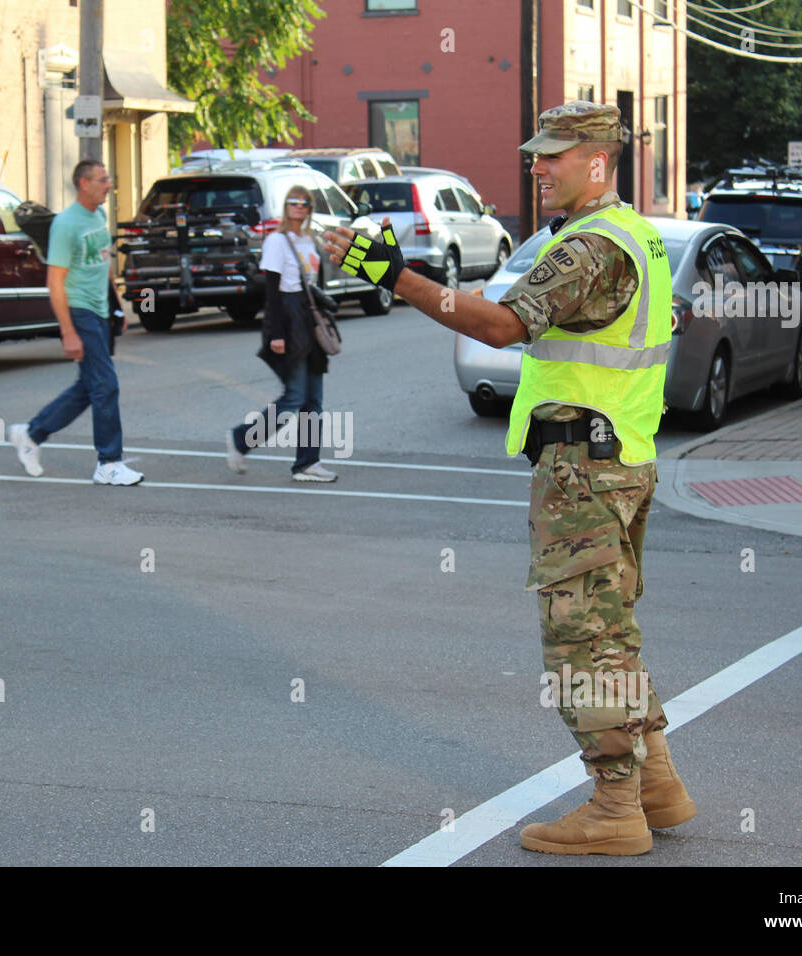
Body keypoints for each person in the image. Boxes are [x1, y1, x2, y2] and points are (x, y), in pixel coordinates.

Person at [322, 102, 695, 856]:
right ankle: (655, 783)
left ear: (598, 159)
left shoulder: (590, 246)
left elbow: (498, 325)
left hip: (585, 472)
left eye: (554, 154)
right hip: (620, 459)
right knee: (611, 632)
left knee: (581, 644)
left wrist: (388, 272)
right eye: (536, 152)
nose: (538, 165)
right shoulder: (638, 234)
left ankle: (616, 807)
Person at [8, 160, 143, 486]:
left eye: (108, 178)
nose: (109, 184)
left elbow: (104, 262)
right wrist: (68, 332)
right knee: (106, 385)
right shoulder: (66, 225)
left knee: (89, 386)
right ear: (84, 183)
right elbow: (55, 282)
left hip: (99, 310)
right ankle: (109, 462)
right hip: (79, 310)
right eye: (102, 179)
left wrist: (118, 306)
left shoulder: (97, 215)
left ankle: (31, 433)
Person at [225, 184, 337, 482]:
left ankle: (307, 463)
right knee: (295, 397)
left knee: (313, 399)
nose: (299, 207)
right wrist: (275, 333)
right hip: (288, 321)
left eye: (305, 203)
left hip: (308, 320)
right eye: (293, 202)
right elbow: (273, 292)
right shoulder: (277, 241)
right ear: (286, 206)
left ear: (310, 210)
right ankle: (241, 439)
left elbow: (309, 284)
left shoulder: (308, 241)